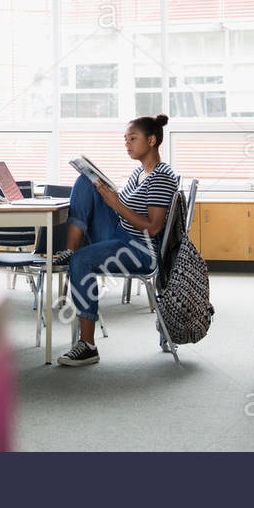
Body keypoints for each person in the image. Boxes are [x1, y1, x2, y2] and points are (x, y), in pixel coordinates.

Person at [56, 114, 179, 367]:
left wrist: (115, 203)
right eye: (125, 139)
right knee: (85, 181)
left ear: (153, 140)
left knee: (81, 261)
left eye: (133, 138)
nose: (127, 144)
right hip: (121, 233)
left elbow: (153, 228)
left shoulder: (161, 176)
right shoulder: (140, 172)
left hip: (140, 248)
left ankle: (88, 346)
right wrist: (109, 195)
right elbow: (125, 208)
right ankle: (70, 250)